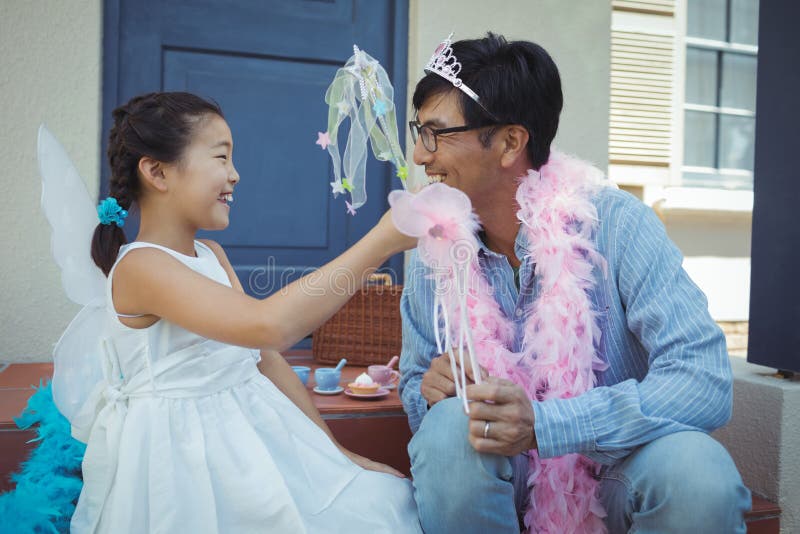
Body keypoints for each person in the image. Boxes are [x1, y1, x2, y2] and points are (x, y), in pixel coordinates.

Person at [398, 33, 751, 533]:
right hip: (492, 477)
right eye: (419, 131)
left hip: (614, 472)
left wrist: (548, 427)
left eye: (436, 133)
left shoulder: (617, 225)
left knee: (698, 473)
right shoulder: (435, 250)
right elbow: (414, 386)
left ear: (509, 142)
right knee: (446, 434)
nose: (419, 154)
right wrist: (430, 393)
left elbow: (704, 380)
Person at [67, 91, 421, 533]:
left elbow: (266, 359)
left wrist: (337, 454)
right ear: (157, 171)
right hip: (185, 466)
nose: (235, 174)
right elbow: (270, 328)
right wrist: (382, 241)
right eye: (221, 157)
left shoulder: (210, 254)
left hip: (254, 441)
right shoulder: (141, 266)